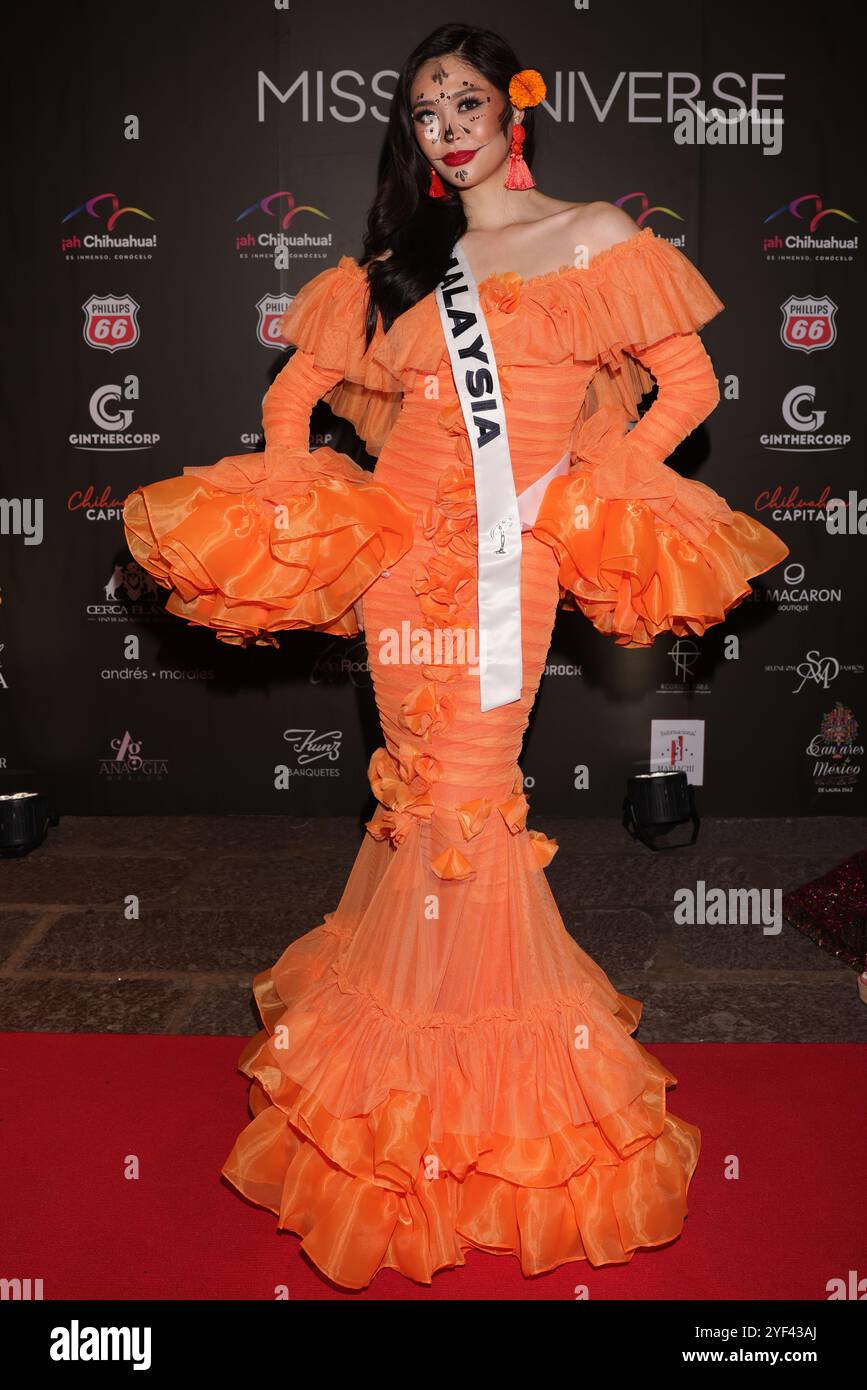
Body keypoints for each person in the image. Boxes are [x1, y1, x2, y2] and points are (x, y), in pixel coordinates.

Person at [123, 23, 789, 1290]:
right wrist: (297, 495)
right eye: (426, 111)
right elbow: (289, 399)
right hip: (399, 571)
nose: (449, 124)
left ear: (511, 111)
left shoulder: (593, 235)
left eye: (466, 100)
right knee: (421, 806)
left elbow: (690, 386)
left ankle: (491, 1114)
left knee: (473, 805)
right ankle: (409, 1107)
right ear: (415, 138)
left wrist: (584, 484)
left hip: (505, 568)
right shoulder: (398, 263)